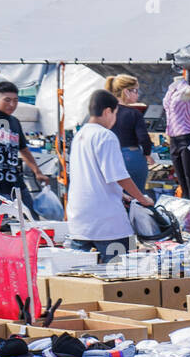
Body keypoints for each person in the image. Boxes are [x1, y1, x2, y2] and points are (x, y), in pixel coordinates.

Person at [65, 90, 154, 263]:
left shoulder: (79, 136)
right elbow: (119, 175)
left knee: (80, 277)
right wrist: (142, 198)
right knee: (120, 277)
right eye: (114, 113)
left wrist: (122, 194)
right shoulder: (105, 136)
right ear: (107, 111)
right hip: (108, 223)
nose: (115, 119)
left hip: (79, 221)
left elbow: (90, 175)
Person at [0, 81, 52, 214]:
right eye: (7, 100)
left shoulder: (14, 122)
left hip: (16, 182)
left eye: (15, 100)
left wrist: (37, 171)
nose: (11, 104)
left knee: (30, 219)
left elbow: (23, 149)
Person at [104, 74, 153, 193]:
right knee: (136, 196)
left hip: (109, 157)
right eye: (135, 91)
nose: (138, 94)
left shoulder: (105, 112)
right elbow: (143, 138)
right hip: (131, 157)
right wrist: (147, 154)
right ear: (126, 91)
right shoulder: (134, 113)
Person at [163, 73, 190, 205]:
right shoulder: (171, 90)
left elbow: (189, 94)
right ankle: (187, 215)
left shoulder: (187, 90)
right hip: (174, 139)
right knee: (182, 182)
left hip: (187, 138)